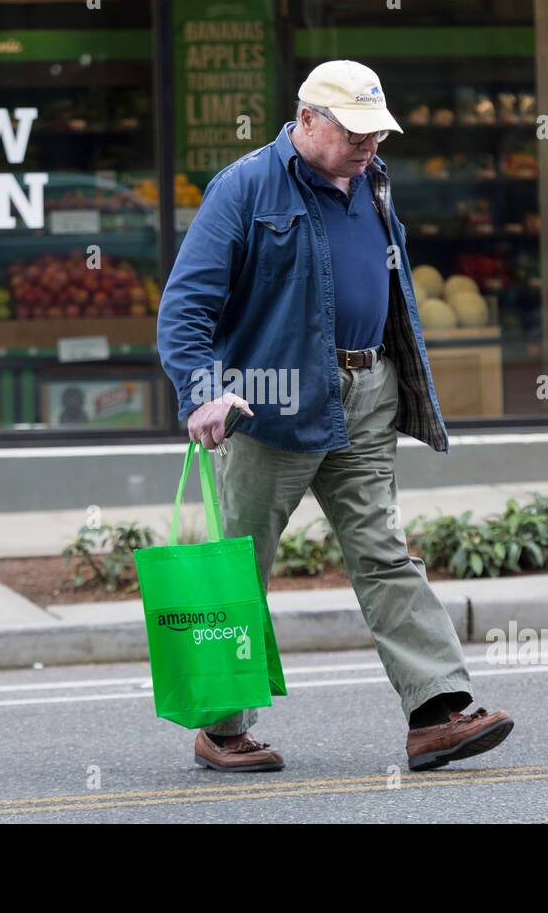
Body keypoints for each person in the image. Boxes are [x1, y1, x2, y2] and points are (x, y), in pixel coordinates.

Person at [157, 59, 514, 773]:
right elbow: (185, 306)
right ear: (308, 120)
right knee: (239, 568)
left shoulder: (374, 184)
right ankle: (221, 729)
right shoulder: (245, 187)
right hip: (269, 406)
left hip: (365, 390)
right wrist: (203, 392)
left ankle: (437, 712)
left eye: (377, 133)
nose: (369, 146)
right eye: (355, 132)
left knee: (384, 552)